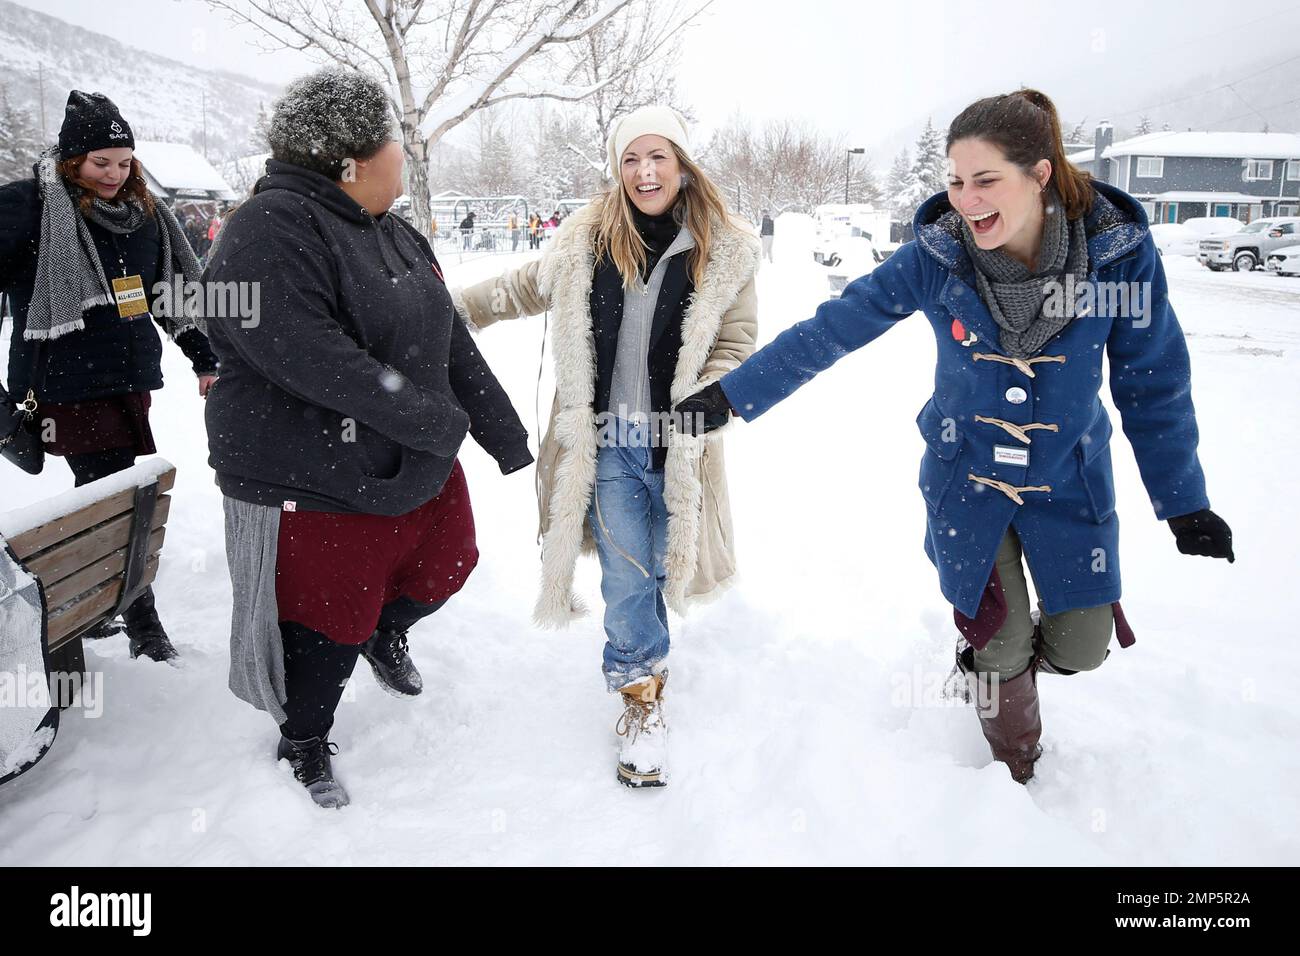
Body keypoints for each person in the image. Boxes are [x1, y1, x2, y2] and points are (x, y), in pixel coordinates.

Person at [676, 89, 1234, 784]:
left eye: (985, 180)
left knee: (1082, 647)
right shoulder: (938, 258)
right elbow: (834, 327)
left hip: (1068, 477)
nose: (966, 200)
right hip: (965, 477)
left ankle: (1000, 662)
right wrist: (733, 393)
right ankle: (1013, 770)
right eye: (955, 181)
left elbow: (1152, 382)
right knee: (1000, 648)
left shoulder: (1115, 258)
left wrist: (1184, 500)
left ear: (1039, 173)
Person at [204, 67, 533, 809]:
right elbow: (313, 357)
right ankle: (304, 740)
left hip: (405, 450)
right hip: (309, 468)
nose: (398, 152)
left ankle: (386, 632)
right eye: (389, 138)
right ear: (349, 160)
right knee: (326, 620)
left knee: (448, 562)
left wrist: (501, 433)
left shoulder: (395, 230)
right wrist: (435, 420)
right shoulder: (270, 227)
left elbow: (449, 337)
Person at [453, 105, 760, 788]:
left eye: (658, 157)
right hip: (612, 447)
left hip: (680, 450)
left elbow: (738, 342)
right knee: (626, 577)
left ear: (682, 164)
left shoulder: (727, 248)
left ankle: (648, 656)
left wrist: (710, 395)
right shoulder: (585, 241)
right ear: (618, 168)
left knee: (658, 567)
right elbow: (518, 287)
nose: (645, 171)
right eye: (631, 159)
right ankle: (641, 697)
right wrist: (447, 309)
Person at [0, 90, 219, 663]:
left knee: (103, 493)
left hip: (129, 380)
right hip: (65, 383)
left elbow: (164, 295)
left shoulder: (144, 216)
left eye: (124, 163)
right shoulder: (34, 207)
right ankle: (141, 621)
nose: (114, 175)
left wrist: (202, 356)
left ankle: (87, 607)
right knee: (116, 488)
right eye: (101, 162)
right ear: (72, 161)